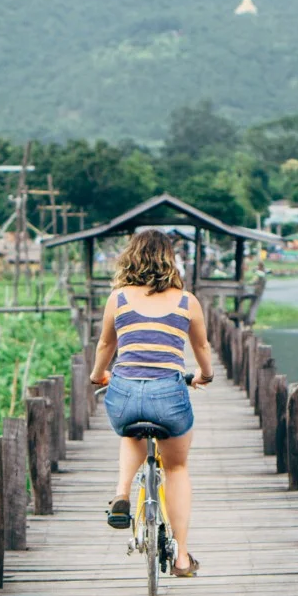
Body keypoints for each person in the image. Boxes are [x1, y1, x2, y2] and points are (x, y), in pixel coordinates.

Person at [90, 228, 214, 575]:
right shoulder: (187, 301)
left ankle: (121, 493)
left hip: (125, 392)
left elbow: (105, 346)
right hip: (168, 395)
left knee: (130, 432)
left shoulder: (118, 298)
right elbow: (202, 348)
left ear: (130, 257)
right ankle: (183, 557)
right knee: (176, 467)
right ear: (169, 260)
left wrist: (98, 374)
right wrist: (205, 375)